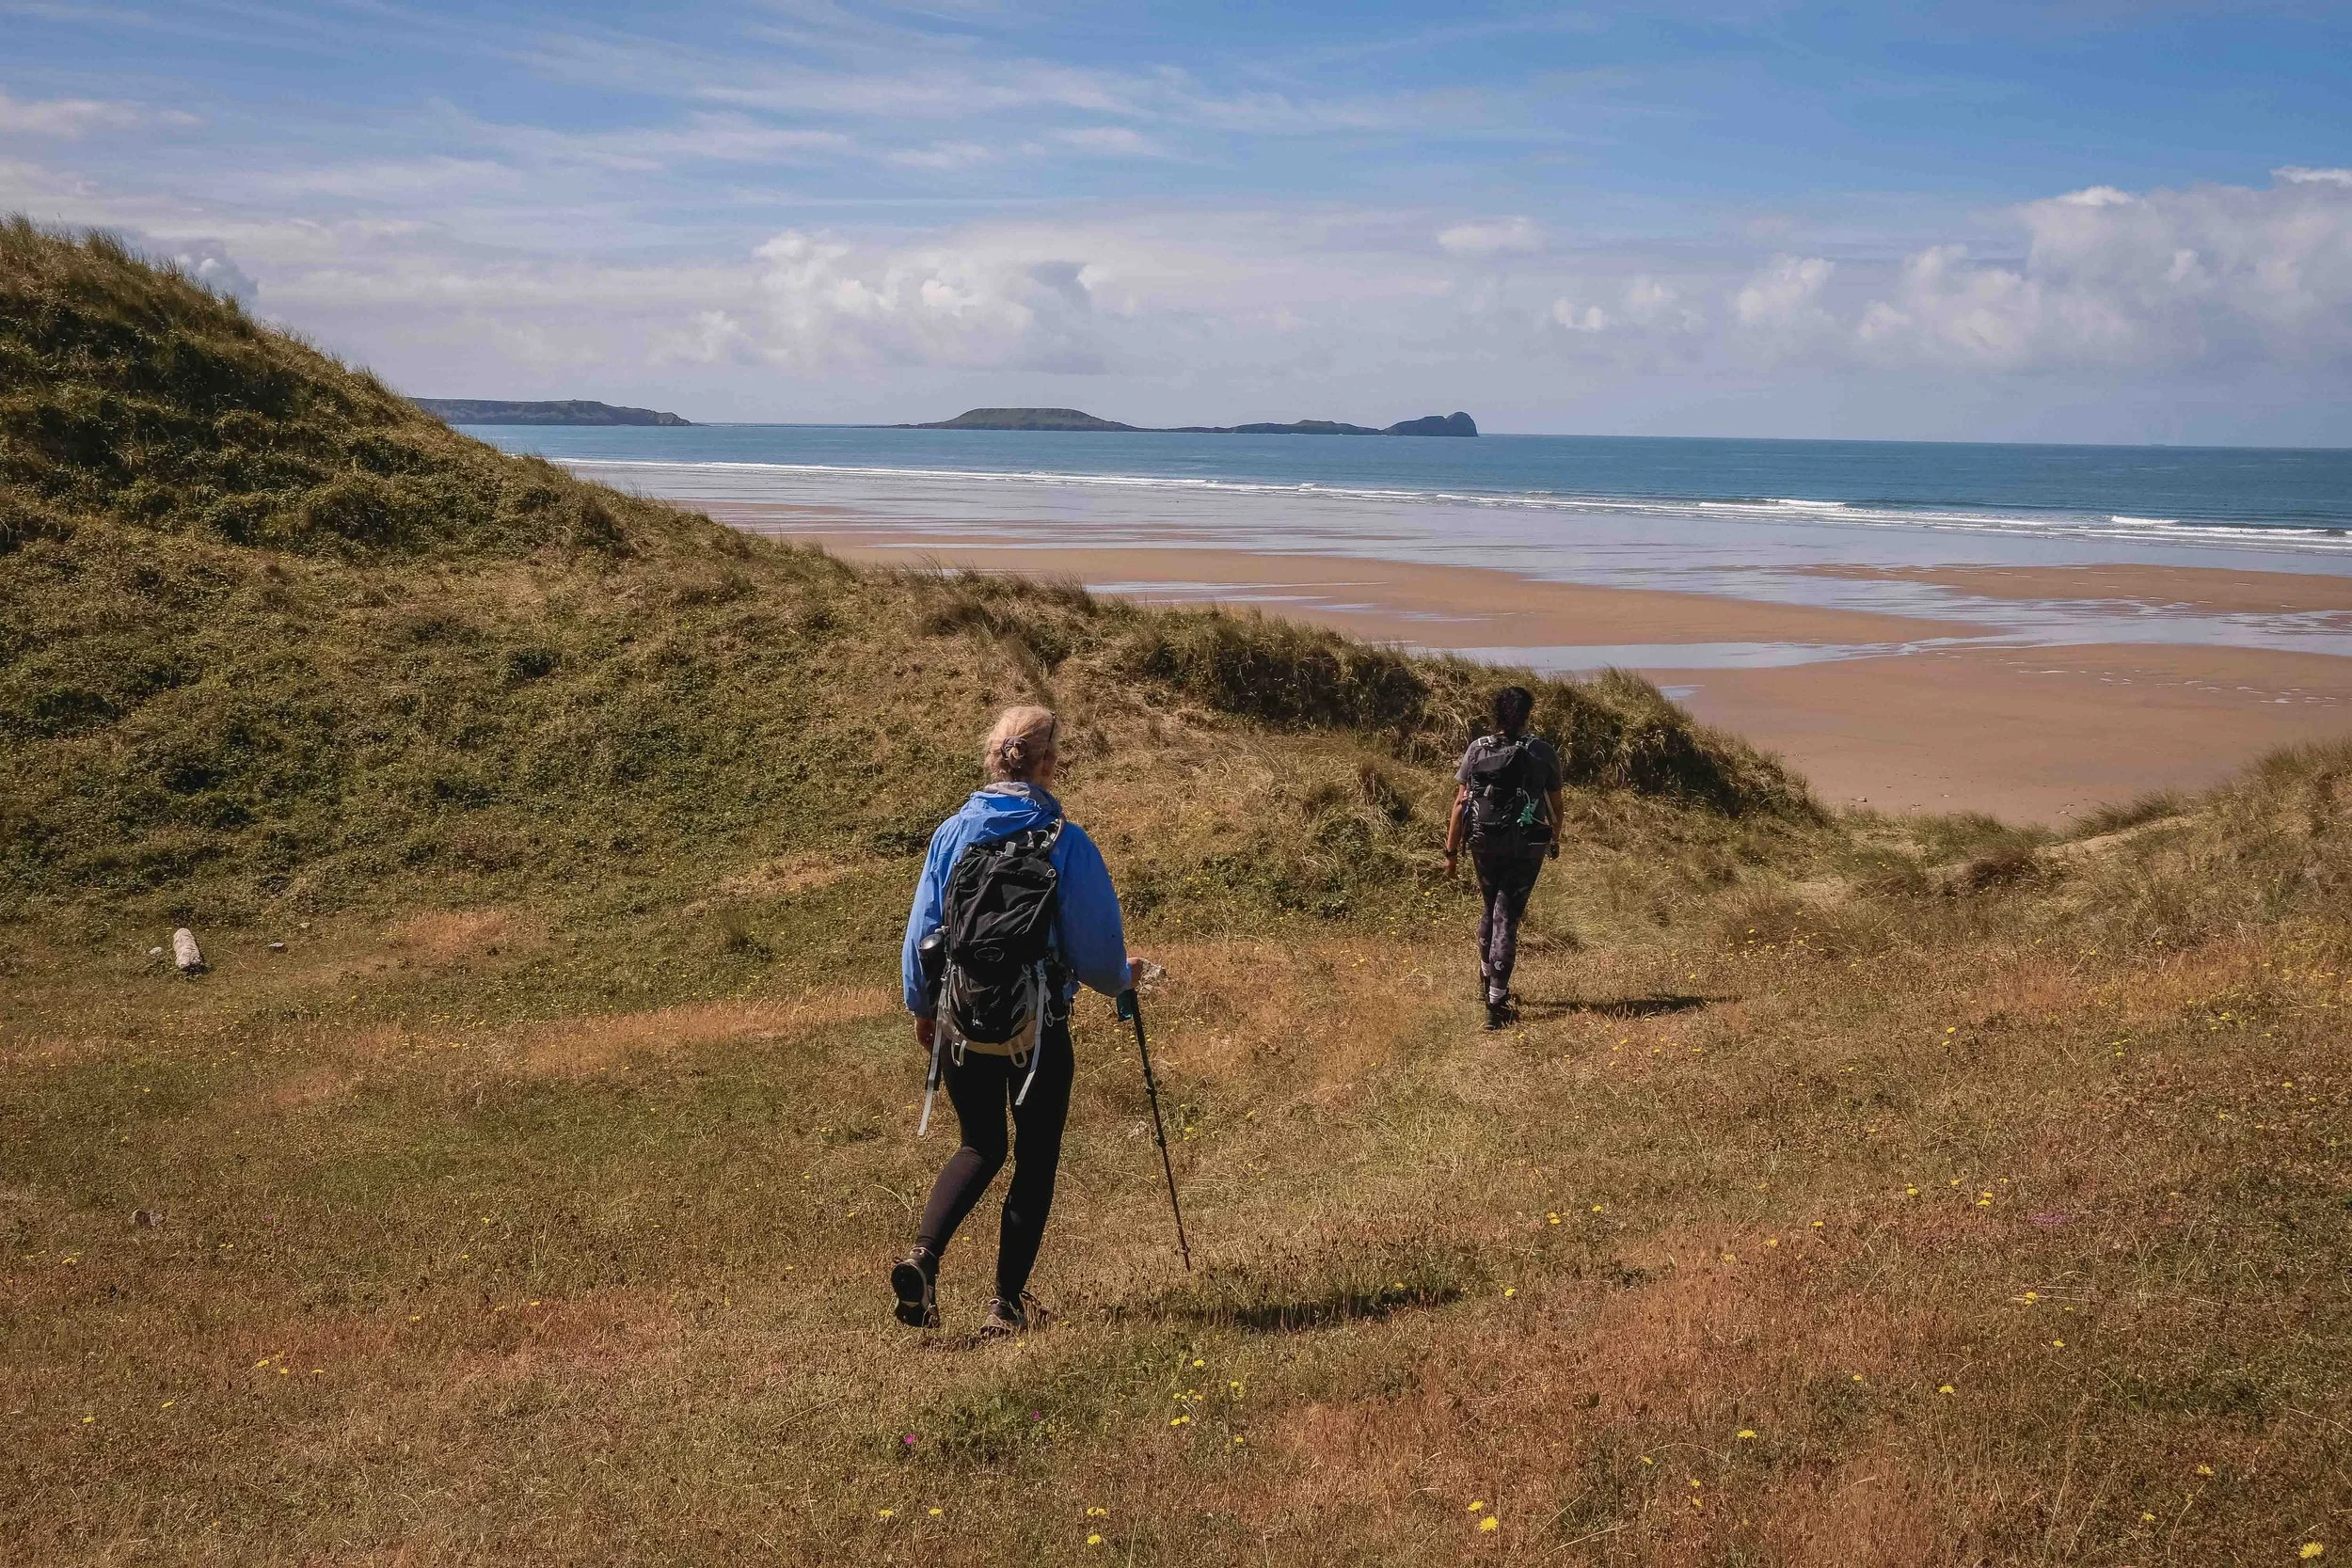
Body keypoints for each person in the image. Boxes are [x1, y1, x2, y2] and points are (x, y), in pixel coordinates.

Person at [893, 705, 1139, 1336]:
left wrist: (924, 1008)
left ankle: (924, 1257)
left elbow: (922, 931)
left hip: (961, 1017)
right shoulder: (1067, 841)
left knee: (979, 1143)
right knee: (1034, 1157)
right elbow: (1098, 954)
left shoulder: (953, 834)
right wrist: (1123, 980)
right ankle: (1003, 1306)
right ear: (1048, 763)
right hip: (1039, 1028)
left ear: (994, 757)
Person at [1443, 686, 1565, 1029]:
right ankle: (1497, 1005)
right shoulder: (1542, 751)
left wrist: (1451, 853)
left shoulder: (1477, 748)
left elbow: (1459, 804)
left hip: (1483, 840)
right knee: (1507, 917)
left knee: (1489, 907)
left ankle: (1486, 983)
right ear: (1528, 714)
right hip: (1526, 845)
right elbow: (1556, 807)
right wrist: (1554, 839)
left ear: (1495, 713)